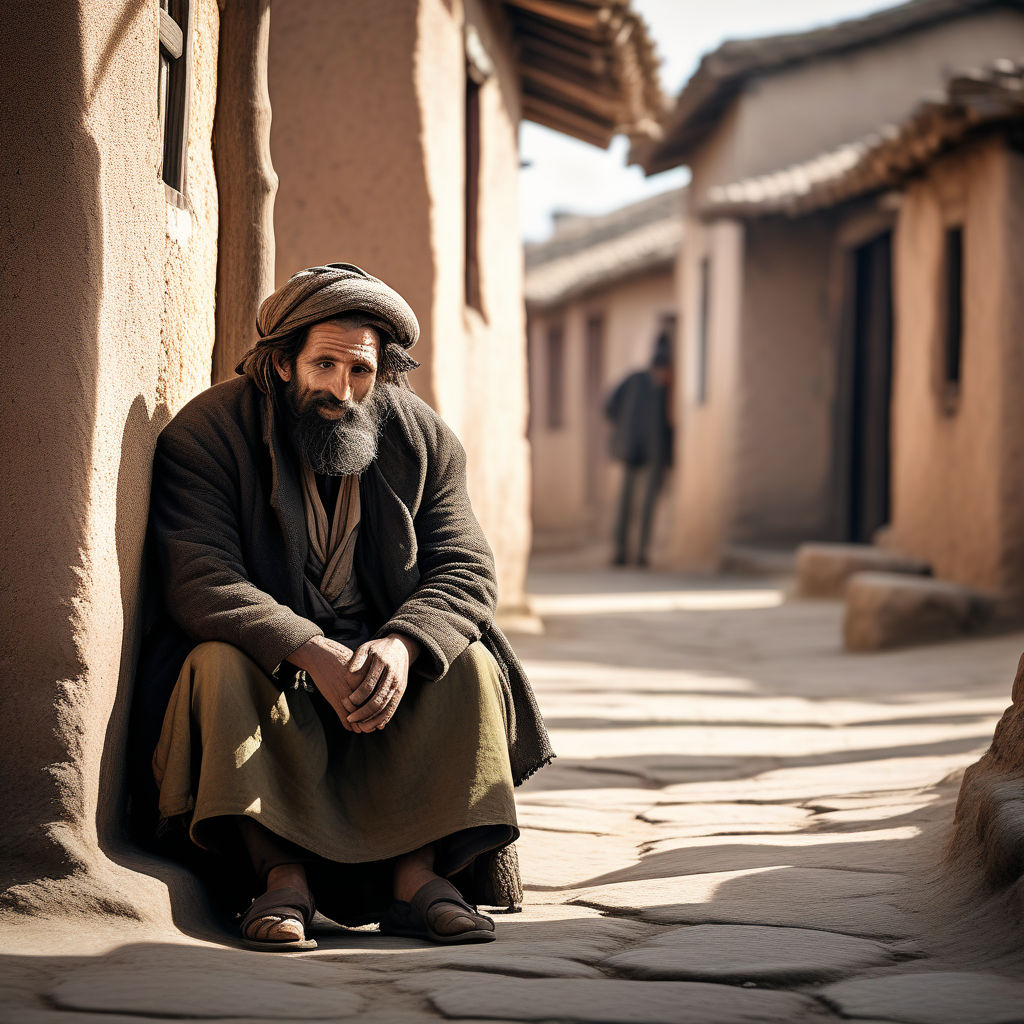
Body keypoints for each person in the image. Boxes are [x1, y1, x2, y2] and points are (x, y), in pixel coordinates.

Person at [133, 263, 553, 951]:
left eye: (360, 371)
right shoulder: (208, 434)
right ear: (280, 364)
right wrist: (307, 648)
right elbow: (199, 577)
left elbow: (467, 570)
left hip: (379, 661)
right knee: (212, 664)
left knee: (472, 662)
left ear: (383, 372)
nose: (341, 390)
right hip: (271, 664)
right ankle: (281, 876)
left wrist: (402, 644)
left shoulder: (424, 439)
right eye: (322, 364)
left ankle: (417, 880)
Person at [604, 333, 675, 567]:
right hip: (632, 452)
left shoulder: (666, 391)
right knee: (626, 505)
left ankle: (642, 553)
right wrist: (624, 430)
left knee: (647, 506)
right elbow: (609, 406)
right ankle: (621, 552)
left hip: (654, 457)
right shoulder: (635, 380)